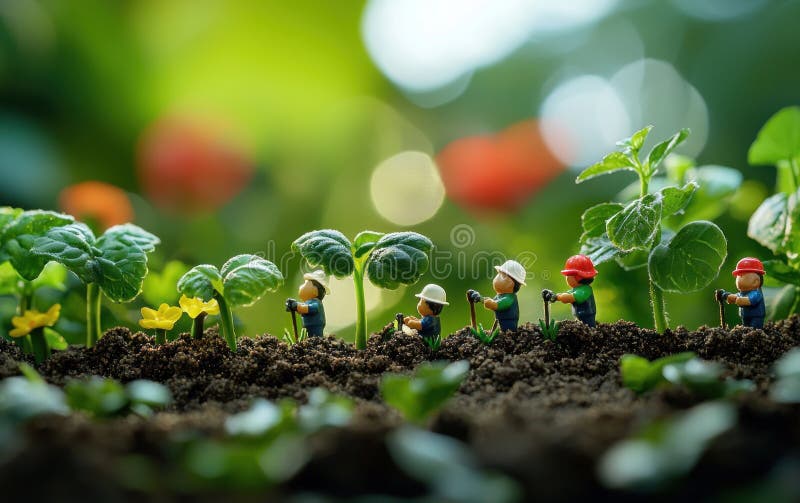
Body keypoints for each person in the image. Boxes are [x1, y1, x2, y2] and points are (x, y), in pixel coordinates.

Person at [468, 259, 527, 332]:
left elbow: (497, 304)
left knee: (507, 333)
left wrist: (490, 303)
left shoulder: (509, 298)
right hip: (500, 320)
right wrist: (480, 298)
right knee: (499, 331)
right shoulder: (500, 296)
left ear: (514, 283)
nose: (497, 279)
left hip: (508, 321)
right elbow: (491, 301)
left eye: (503, 277)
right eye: (498, 274)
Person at [554, 254, 597, 327]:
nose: (566, 278)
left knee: (589, 328)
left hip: (587, 315)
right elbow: (567, 294)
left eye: (568, 276)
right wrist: (556, 296)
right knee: (581, 327)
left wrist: (559, 297)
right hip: (579, 315)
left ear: (578, 277)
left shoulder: (585, 290)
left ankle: (592, 333)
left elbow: (571, 297)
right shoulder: (576, 289)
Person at [724, 257, 765, 328]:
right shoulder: (742, 293)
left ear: (756, 281)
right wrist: (730, 297)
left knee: (754, 329)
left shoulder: (756, 293)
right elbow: (737, 296)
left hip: (756, 316)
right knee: (745, 328)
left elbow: (750, 300)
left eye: (742, 276)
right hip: (745, 315)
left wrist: (741, 300)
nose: (738, 280)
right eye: (738, 277)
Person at [286, 270, 328, 337]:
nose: (301, 286)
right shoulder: (308, 302)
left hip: (315, 326)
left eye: (306, 284)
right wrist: (294, 305)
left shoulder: (317, 303)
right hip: (307, 326)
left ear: (315, 290)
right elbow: (303, 307)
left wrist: (297, 306)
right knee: (308, 338)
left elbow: (309, 308)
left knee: (315, 338)